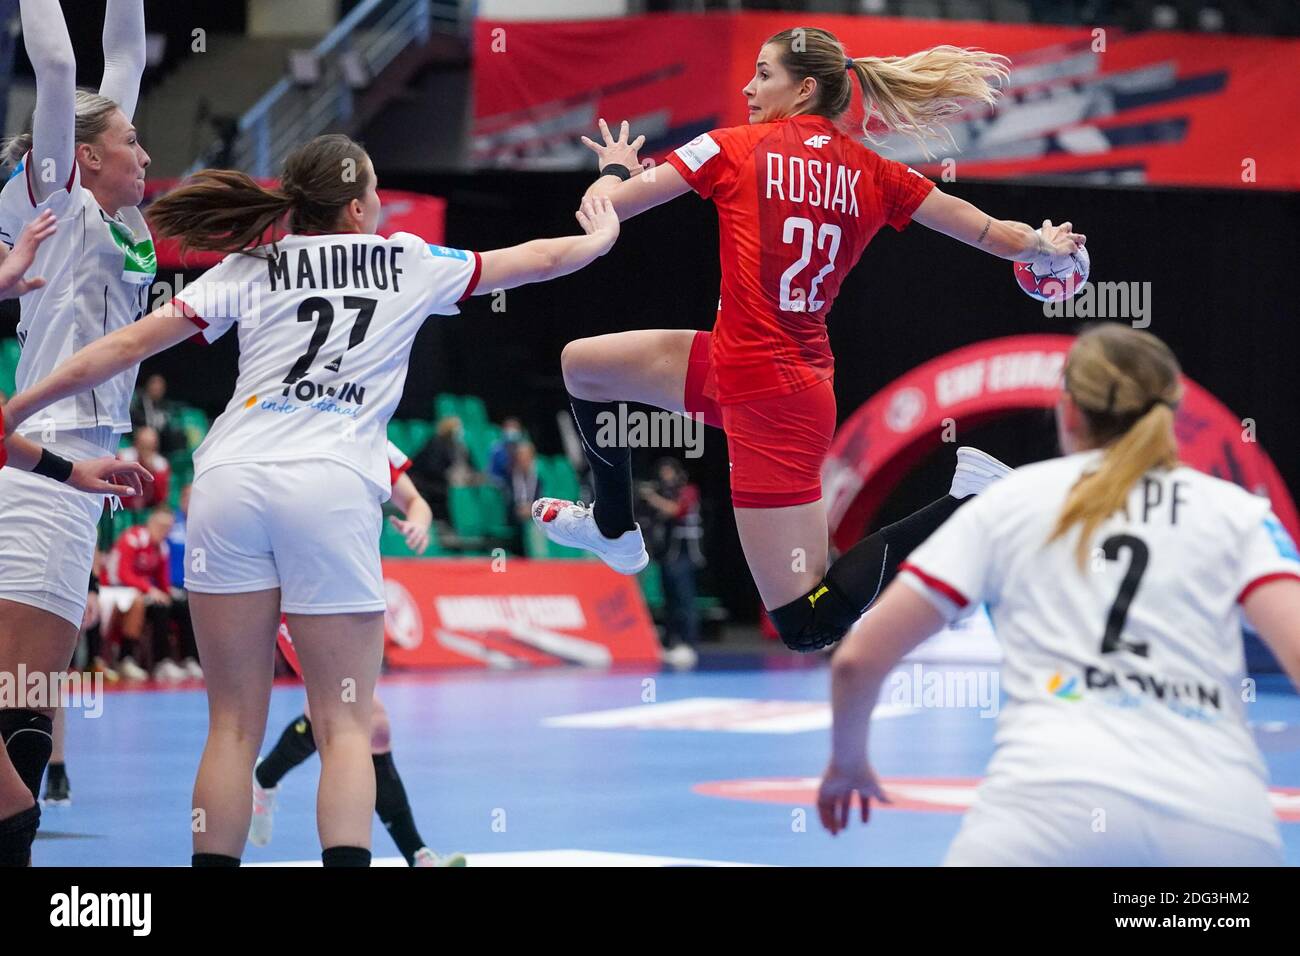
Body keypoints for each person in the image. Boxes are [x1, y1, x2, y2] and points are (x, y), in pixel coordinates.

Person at [2, 132, 621, 866]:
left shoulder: (251, 265)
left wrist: (17, 408)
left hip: (229, 483)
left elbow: (128, 343)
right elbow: (548, 257)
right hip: (329, 485)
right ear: (358, 209)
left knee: (231, 724)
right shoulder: (408, 259)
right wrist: (607, 211)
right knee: (346, 725)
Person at [533, 27, 1083, 656]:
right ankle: (613, 527)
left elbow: (603, 212)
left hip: (768, 401)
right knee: (584, 367)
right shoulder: (877, 172)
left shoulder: (729, 147)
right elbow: (990, 234)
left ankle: (967, 503)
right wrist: (1044, 246)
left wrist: (613, 170)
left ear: (806, 88)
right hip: (753, 370)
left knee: (808, 621)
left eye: (763, 73)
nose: (748, 84)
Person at [818, 324, 1300, 866]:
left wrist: (848, 764)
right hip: (1217, 821)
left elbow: (857, 661)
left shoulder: (1006, 505)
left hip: (1041, 815)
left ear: (1068, 412)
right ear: (1173, 415)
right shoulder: (1239, 516)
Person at [0, 0, 151, 866]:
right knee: (20, 698)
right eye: (132, 142)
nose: (147, 151)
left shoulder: (114, 211)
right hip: (45, 459)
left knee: (26, 695)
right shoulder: (54, 196)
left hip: (72, 465)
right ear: (85, 155)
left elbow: (122, 47)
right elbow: (59, 67)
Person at [251, 441, 465, 867]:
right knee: (360, 718)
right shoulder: (296, 423)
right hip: (297, 595)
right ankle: (419, 856)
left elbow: (416, 502)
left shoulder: (372, 434)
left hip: (348, 589)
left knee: (367, 727)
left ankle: (264, 777)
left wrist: (417, 523)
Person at [638, 457, 703, 668]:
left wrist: (652, 497)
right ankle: (672, 643)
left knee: (685, 601)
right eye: (663, 473)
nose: (666, 477)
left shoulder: (688, 491)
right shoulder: (663, 492)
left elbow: (675, 510)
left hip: (684, 556)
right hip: (666, 555)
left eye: (669, 472)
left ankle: (689, 644)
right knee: (670, 602)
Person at [117, 423, 170, 510]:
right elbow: (117, 489)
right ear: (136, 443)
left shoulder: (161, 465)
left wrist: (153, 474)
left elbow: (160, 499)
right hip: (123, 509)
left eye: (149, 446)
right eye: (143, 445)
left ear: (155, 446)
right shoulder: (123, 459)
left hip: (149, 511)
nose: (146, 449)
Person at [129, 372, 184, 453]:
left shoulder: (166, 406)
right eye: (154, 386)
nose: (157, 390)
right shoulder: (138, 402)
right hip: (138, 441)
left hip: (160, 446)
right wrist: (141, 433)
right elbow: (131, 423)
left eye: (160, 388)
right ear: (148, 386)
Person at [505, 440, 542, 555]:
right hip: (516, 517)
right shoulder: (511, 475)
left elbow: (547, 495)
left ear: (532, 456)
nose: (523, 460)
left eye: (525, 456)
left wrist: (531, 508)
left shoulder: (541, 475)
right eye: (520, 456)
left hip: (538, 514)